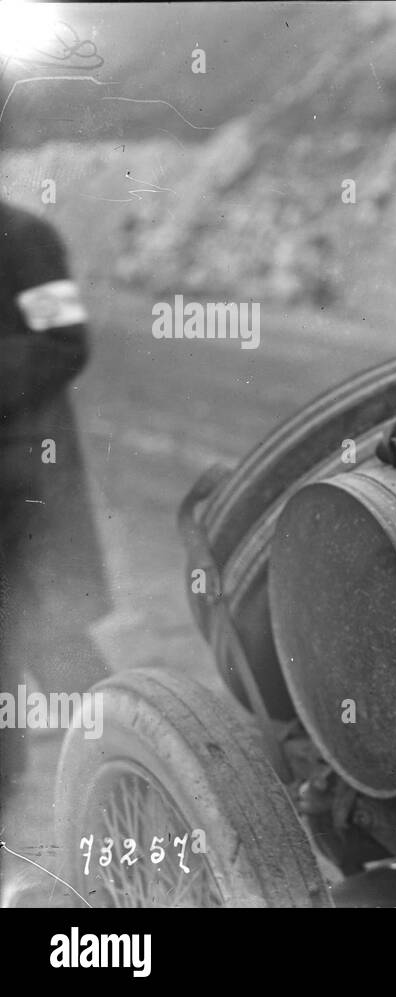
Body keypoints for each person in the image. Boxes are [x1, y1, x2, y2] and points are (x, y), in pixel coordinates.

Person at [0, 198, 111, 789]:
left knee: (50, 630)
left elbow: (67, 341)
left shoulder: (26, 237)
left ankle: (128, 769)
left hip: (27, 483)